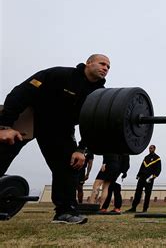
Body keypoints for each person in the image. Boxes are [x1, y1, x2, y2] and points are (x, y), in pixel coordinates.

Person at [0, 54, 110, 224]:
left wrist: (81, 149)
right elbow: (21, 92)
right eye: (102, 64)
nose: (105, 68)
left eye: (108, 67)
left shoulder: (99, 94)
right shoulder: (59, 75)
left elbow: (92, 124)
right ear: (88, 63)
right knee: (3, 150)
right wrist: (5, 126)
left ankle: (65, 212)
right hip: (30, 116)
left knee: (70, 164)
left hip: (59, 128)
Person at [126, 145, 162, 213]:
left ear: (154, 149)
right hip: (142, 177)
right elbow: (142, 166)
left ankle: (145, 209)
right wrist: (138, 174)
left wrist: (152, 177)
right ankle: (133, 207)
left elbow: (158, 169)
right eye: (149, 148)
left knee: (147, 194)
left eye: (151, 148)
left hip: (149, 178)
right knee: (137, 192)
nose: (150, 149)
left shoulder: (157, 158)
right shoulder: (146, 157)